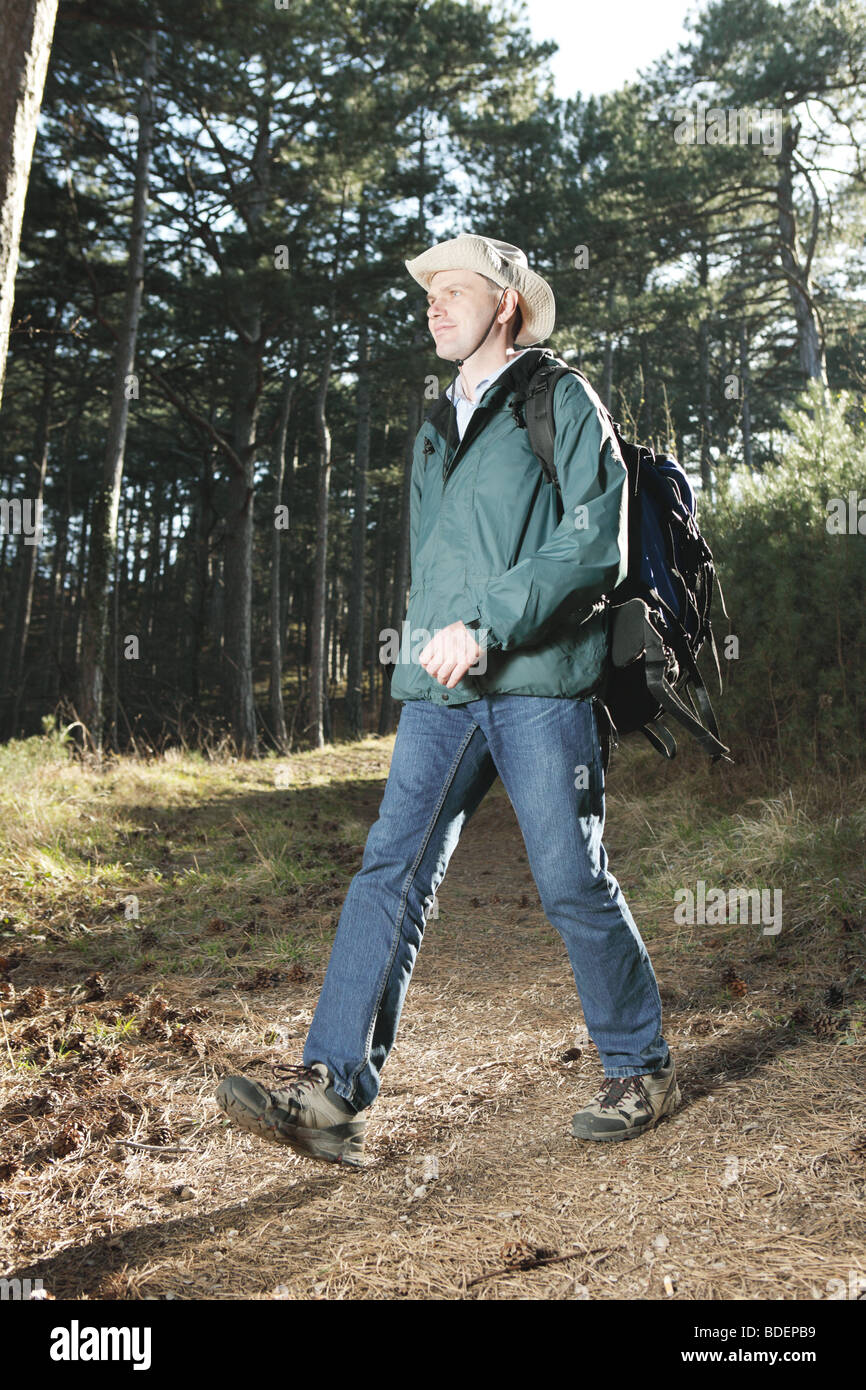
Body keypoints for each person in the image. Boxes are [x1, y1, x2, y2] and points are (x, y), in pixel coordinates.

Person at [216, 232, 680, 1167]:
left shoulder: (559, 398)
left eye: (455, 290)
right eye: (428, 293)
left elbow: (597, 544)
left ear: (504, 304)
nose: (434, 304)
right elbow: (439, 559)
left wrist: (490, 624)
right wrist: (433, 644)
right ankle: (330, 1091)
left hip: (540, 682)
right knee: (389, 871)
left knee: (570, 879)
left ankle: (642, 1067)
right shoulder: (435, 423)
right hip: (442, 691)